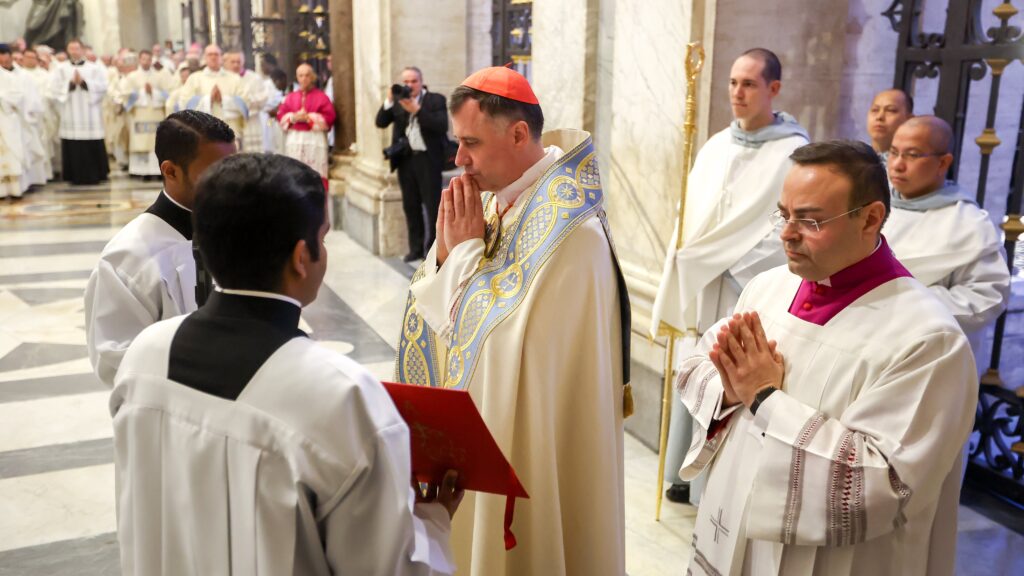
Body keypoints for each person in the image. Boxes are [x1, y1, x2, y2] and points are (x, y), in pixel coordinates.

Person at [111, 153, 460, 575]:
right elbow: (387, 568)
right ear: (301, 257)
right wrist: (434, 520)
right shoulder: (339, 395)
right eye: (324, 237)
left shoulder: (144, 357)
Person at [676, 140, 977, 576]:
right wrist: (727, 385)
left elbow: (886, 484)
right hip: (730, 526)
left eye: (810, 220)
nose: (786, 234)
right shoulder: (767, 287)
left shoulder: (927, 339)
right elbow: (695, 367)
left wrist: (764, 398)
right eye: (784, 214)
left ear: (870, 218)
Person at [395, 66, 629, 576]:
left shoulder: (574, 235)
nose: (458, 160)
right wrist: (446, 259)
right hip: (484, 429)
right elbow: (437, 311)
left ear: (519, 133)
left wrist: (461, 257)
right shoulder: (495, 202)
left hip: (526, 442)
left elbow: (500, 345)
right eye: (458, 142)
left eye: (471, 143)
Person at [650, 48, 809, 505]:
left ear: (773, 89)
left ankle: (711, 485)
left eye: (749, 84)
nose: (737, 93)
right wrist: (689, 252)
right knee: (696, 366)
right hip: (704, 282)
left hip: (744, 284)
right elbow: (691, 209)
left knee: (728, 375)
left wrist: (725, 261)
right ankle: (682, 472)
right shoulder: (717, 144)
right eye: (733, 83)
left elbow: (782, 226)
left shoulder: (793, 152)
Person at [84, 111, 236, 387]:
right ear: (170, 171)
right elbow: (116, 359)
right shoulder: (128, 257)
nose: (229, 183)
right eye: (214, 173)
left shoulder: (235, 228)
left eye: (233, 169)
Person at [886, 116, 1010, 359]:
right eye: (893, 152)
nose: (897, 165)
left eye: (911, 155)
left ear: (943, 162)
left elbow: (987, 296)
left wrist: (905, 302)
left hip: (929, 353)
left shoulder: (968, 224)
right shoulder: (874, 205)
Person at [375, 66, 449, 262]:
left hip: (428, 160)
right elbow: (380, 122)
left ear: (421, 81)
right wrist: (390, 100)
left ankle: (432, 250)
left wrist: (417, 110)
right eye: (405, 82)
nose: (409, 85)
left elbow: (441, 126)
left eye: (413, 81)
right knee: (411, 206)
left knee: (433, 207)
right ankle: (415, 248)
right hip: (406, 161)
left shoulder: (435, 100)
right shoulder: (398, 102)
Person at [51, 39, 109, 185]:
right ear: (67, 50)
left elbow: (103, 87)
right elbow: (53, 89)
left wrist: (84, 83)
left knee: (91, 142)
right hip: (70, 112)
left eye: (77, 48)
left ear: (82, 50)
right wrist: (70, 84)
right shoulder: (60, 69)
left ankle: (96, 174)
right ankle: (73, 175)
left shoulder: (94, 68)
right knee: (73, 143)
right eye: (71, 49)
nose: (74, 51)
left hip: (90, 113)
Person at [176, 44, 250, 138]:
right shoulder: (194, 78)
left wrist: (223, 100)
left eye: (216, 54)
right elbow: (184, 103)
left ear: (221, 57)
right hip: (203, 133)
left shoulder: (234, 78)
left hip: (230, 131)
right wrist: (208, 100)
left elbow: (245, 103)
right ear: (204, 57)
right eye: (210, 54)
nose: (213, 57)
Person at [278, 63, 335, 182]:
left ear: (313, 77)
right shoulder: (290, 97)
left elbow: (330, 117)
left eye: (307, 75)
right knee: (295, 175)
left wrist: (309, 118)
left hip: (314, 140)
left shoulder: (322, 97)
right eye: (301, 75)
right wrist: (294, 117)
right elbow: (281, 116)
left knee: (315, 175)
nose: (304, 78)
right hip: (295, 140)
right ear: (297, 77)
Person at [119, 50, 171, 178]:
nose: (146, 62)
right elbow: (125, 94)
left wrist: (154, 92)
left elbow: (168, 94)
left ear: (151, 60)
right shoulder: (132, 77)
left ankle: (156, 171)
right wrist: (142, 92)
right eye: (143, 59)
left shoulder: (159, 76)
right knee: (141, 142)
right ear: (139, 60)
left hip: (156, 113)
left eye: (148, 59)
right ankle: (140, 171)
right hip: (140, 114)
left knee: (155, 141)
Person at [20, 47, 57, 181]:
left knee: (43, 144)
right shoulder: (18, 74)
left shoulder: (44, 75)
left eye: (32, 58)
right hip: (23, 116)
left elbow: (50, 93)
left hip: (41, 114)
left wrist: (39, 103)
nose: (30, 60)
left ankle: (44, 174)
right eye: (27, 57)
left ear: (37, 59)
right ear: (23, 59)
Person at [223, 50, 268, 152]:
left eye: (238, 62)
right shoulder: (223, 79)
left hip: (251, 121)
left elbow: (264, 97)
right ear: (225, 63)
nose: (236, 65)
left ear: (243, 62)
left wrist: (247, 102)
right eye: (232, 62)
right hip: (231, 123)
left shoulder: (254, 78)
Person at [866, 88, 913, 164]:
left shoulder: (910, 164)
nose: (879, 117)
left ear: (909, 119)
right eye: (875, 110)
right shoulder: (854, 156)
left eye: (890, 110)